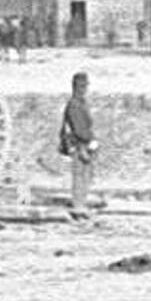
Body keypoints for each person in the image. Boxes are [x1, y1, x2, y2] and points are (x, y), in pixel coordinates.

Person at [60, 72, 99, 217]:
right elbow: (78, 129)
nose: (85, 89)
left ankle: (80, 204)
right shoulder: (75, 104)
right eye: (82, 86)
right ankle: (78, 207)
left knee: (85, 175)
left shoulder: (81, 103)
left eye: (85, 86)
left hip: (84, 143)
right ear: (76, 87)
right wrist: (87, 143)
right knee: (80, 176)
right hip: (79, 144)